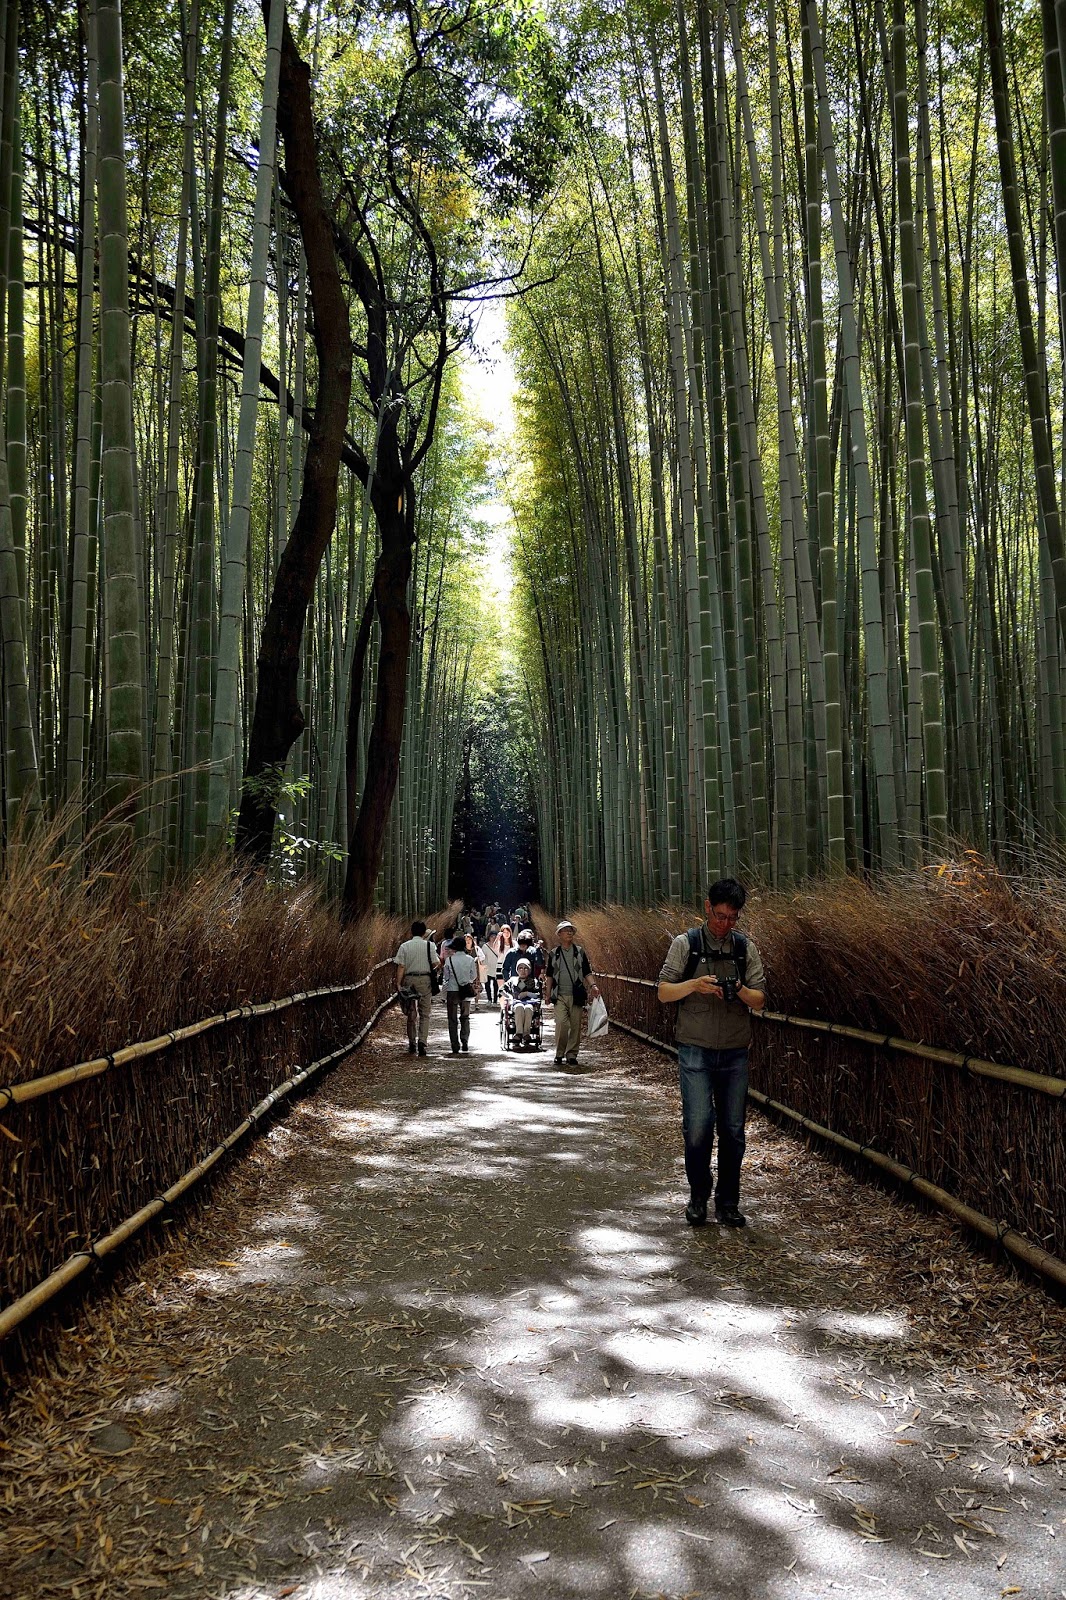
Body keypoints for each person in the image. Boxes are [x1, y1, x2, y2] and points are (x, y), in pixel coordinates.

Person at [656, 878, 766, 1228]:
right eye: (720, 916)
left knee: (733, 1130)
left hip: (734, 1051)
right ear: (707, 908)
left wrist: (740, 990)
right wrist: (695, 985)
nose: (725, 923)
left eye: (732, 918)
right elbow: (663, 991)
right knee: (699, 1126)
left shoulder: (744, 947)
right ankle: (698, 1196)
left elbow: (760, 999)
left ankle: (728, 1203)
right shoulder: (685, 944)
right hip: (695, 1050)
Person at [544, 920, 598, 1065]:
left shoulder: (579, 952)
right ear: (559, 934)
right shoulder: (554, 953)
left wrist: (593, 985)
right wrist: (548, 993)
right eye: (566, 930)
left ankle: (572, 1054)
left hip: (576, 994)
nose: (569, 932)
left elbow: (586, 971)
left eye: (571, 930)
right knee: (562, 1023)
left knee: (575, 1025)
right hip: (559, 994)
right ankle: (559, 1053)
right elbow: (549, 975)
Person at [394, 919, 442, 1057]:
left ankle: (412, 1042)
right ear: (424, 932)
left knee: (411, 1012)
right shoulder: (429, 945)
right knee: (424, 1013)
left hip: (409, 979)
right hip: (425, 980)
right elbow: (436, 963)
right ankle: (422, 1042)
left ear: (411, 932)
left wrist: (398, 983)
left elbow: (401, 966)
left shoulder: (404, 946)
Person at [442, 935, 480, 1054]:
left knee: (452, 1018)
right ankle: (465, 1040)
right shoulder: (470, 959)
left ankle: (454, 1044)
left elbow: (446, 977)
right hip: (466, 990)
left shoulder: (449, 960)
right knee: (465, 1016)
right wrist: (466, 980)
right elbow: (473, 976)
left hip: (452, 990)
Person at [506, 957, 539, 1046]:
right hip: (516, 1003)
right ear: (517, 970)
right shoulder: (512, 980)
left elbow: (538, 995)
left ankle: (526, 1034)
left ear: (529, 970)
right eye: (520, 968)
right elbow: (502, 990)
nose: (523, 971)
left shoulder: (533, 981)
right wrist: (510, 997)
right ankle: (519, 1033)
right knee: (519, 1007)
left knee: (528, 1008)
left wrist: (527, 993)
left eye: (525, 968)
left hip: (530, 1003)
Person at [479, 936, 500, 1004]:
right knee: (487, 986)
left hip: (496, 968)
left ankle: (495, 1001)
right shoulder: (485, 946)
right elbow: (482, 956)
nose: (493, 938)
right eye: (492, 936)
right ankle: (489, 999)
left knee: (496, 986)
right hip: (487, 968)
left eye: (495, 937)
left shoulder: (499, 945)